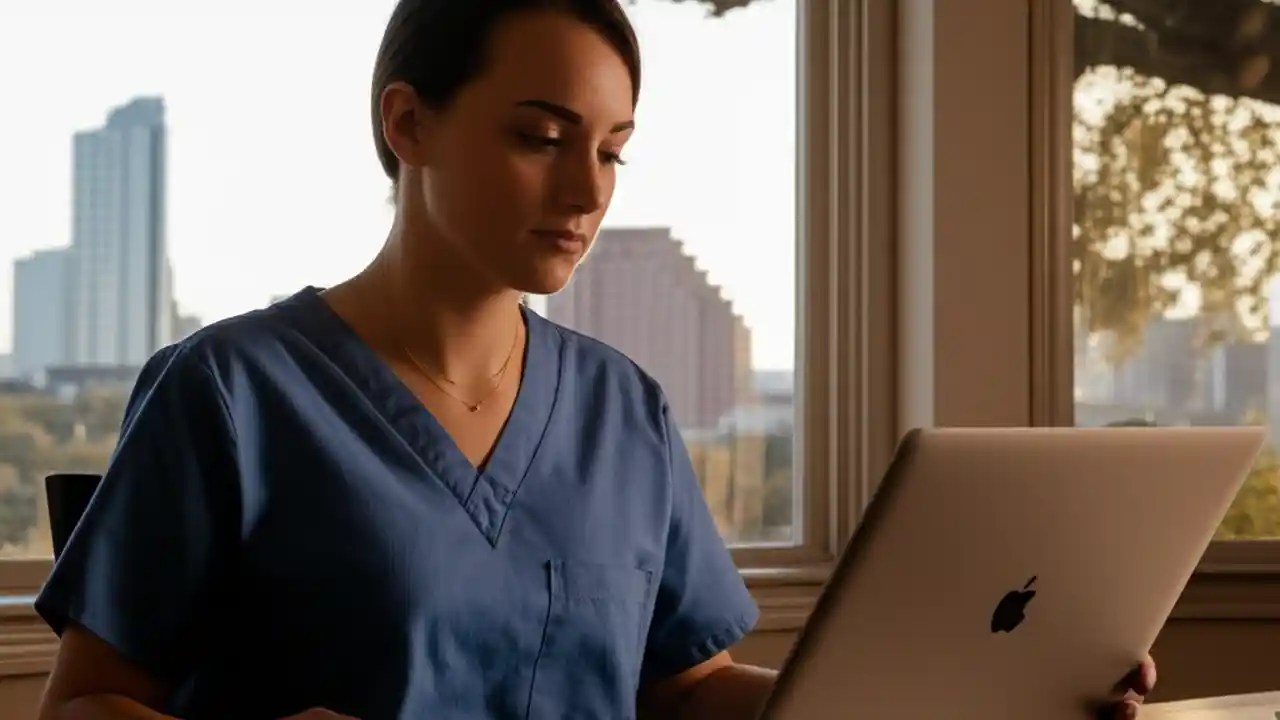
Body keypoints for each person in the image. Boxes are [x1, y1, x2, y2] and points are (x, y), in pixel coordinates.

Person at [33, 1, 1157, 718]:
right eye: (539, 138)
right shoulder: (229, 394)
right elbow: (83, 709)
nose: (586, 195)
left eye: (612, 152)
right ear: (406, 123)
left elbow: (686, 688)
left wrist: (983, 698)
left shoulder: (621, 407)